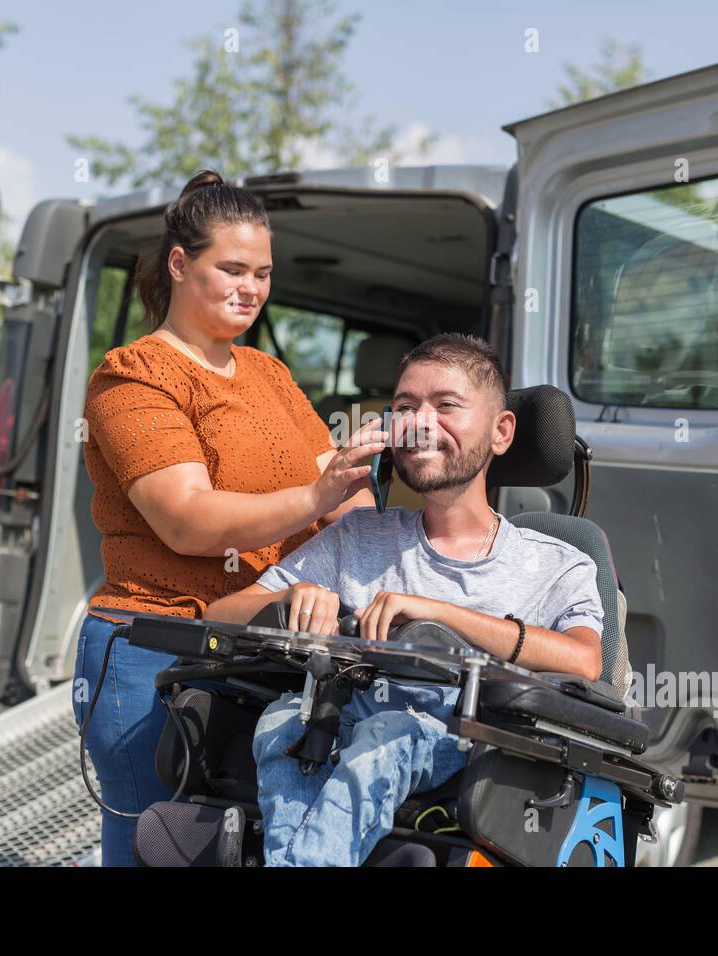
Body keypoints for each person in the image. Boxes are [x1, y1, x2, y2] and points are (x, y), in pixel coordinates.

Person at [205, 333, 606, 866]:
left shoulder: (561, 561)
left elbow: (585, 659)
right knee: (285, 717)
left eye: (446, 406)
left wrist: (439, 613)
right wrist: (294, 600)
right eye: (404, 408)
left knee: (390, 734)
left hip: (481, 749)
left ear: (502, 431)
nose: (420, 422)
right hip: (342, 722)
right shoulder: (359, 537)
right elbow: (217, 615)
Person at [74, 169, 380, 865]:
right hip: (156, 653)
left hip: (261, 649)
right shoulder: (133, 377)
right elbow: (185, 519)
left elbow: (342, 489)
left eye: (263, 273)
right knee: (160, 849)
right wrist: (315, 500)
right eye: (232, 269)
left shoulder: (269, 374)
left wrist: (357, 523)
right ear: (180, 264)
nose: (251, 287)